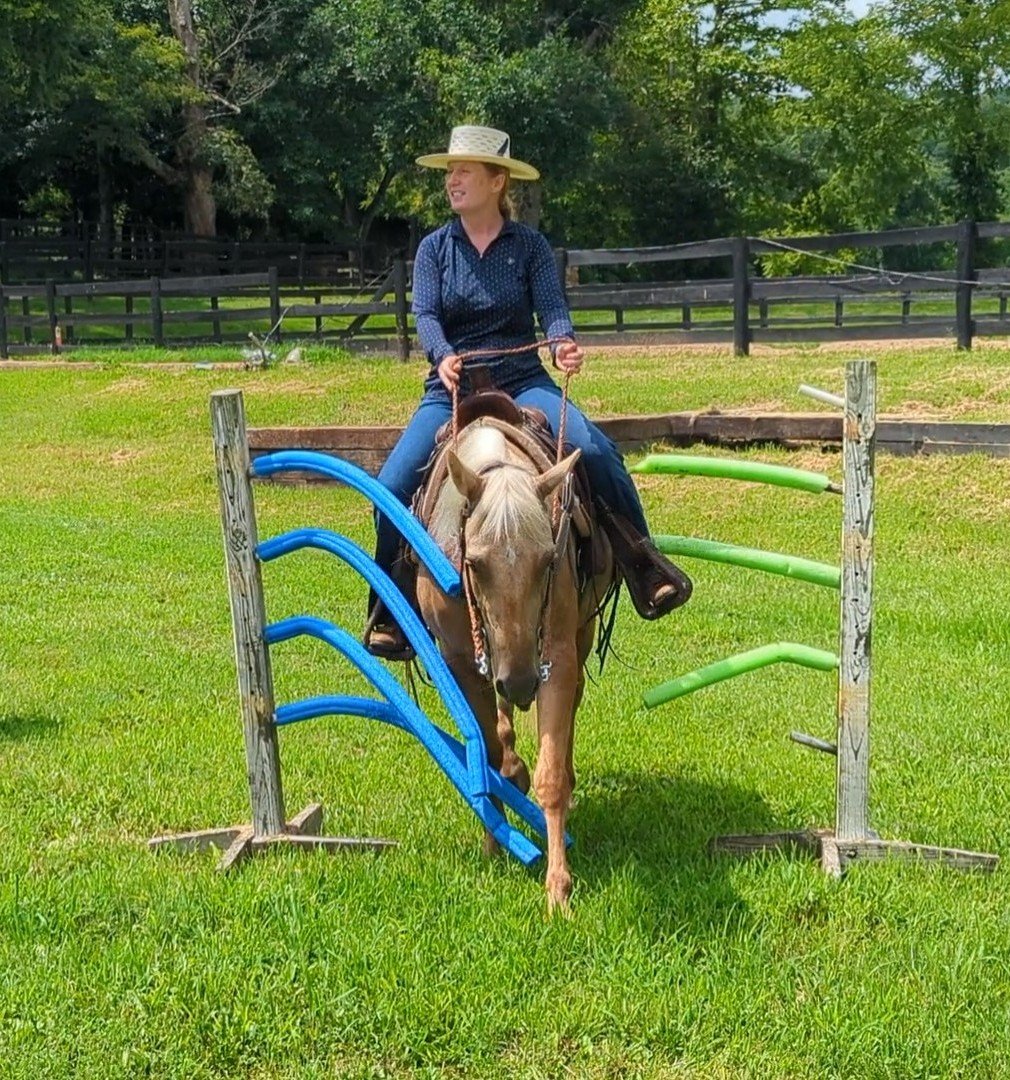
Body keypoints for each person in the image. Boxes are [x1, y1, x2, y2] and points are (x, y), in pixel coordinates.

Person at [365, 125, 691, 660]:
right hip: (450, 386)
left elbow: (553, 309)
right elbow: (424, 314)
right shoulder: (433, 250)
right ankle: (391, 606)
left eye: (463, 170)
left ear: (497, 181)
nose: (453, 180)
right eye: (450, 171)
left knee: (597, 450)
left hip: (523, 382)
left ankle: (640, 561)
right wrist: (440, 353)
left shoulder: (530, 247)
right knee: (392, 484)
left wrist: (563, 342)